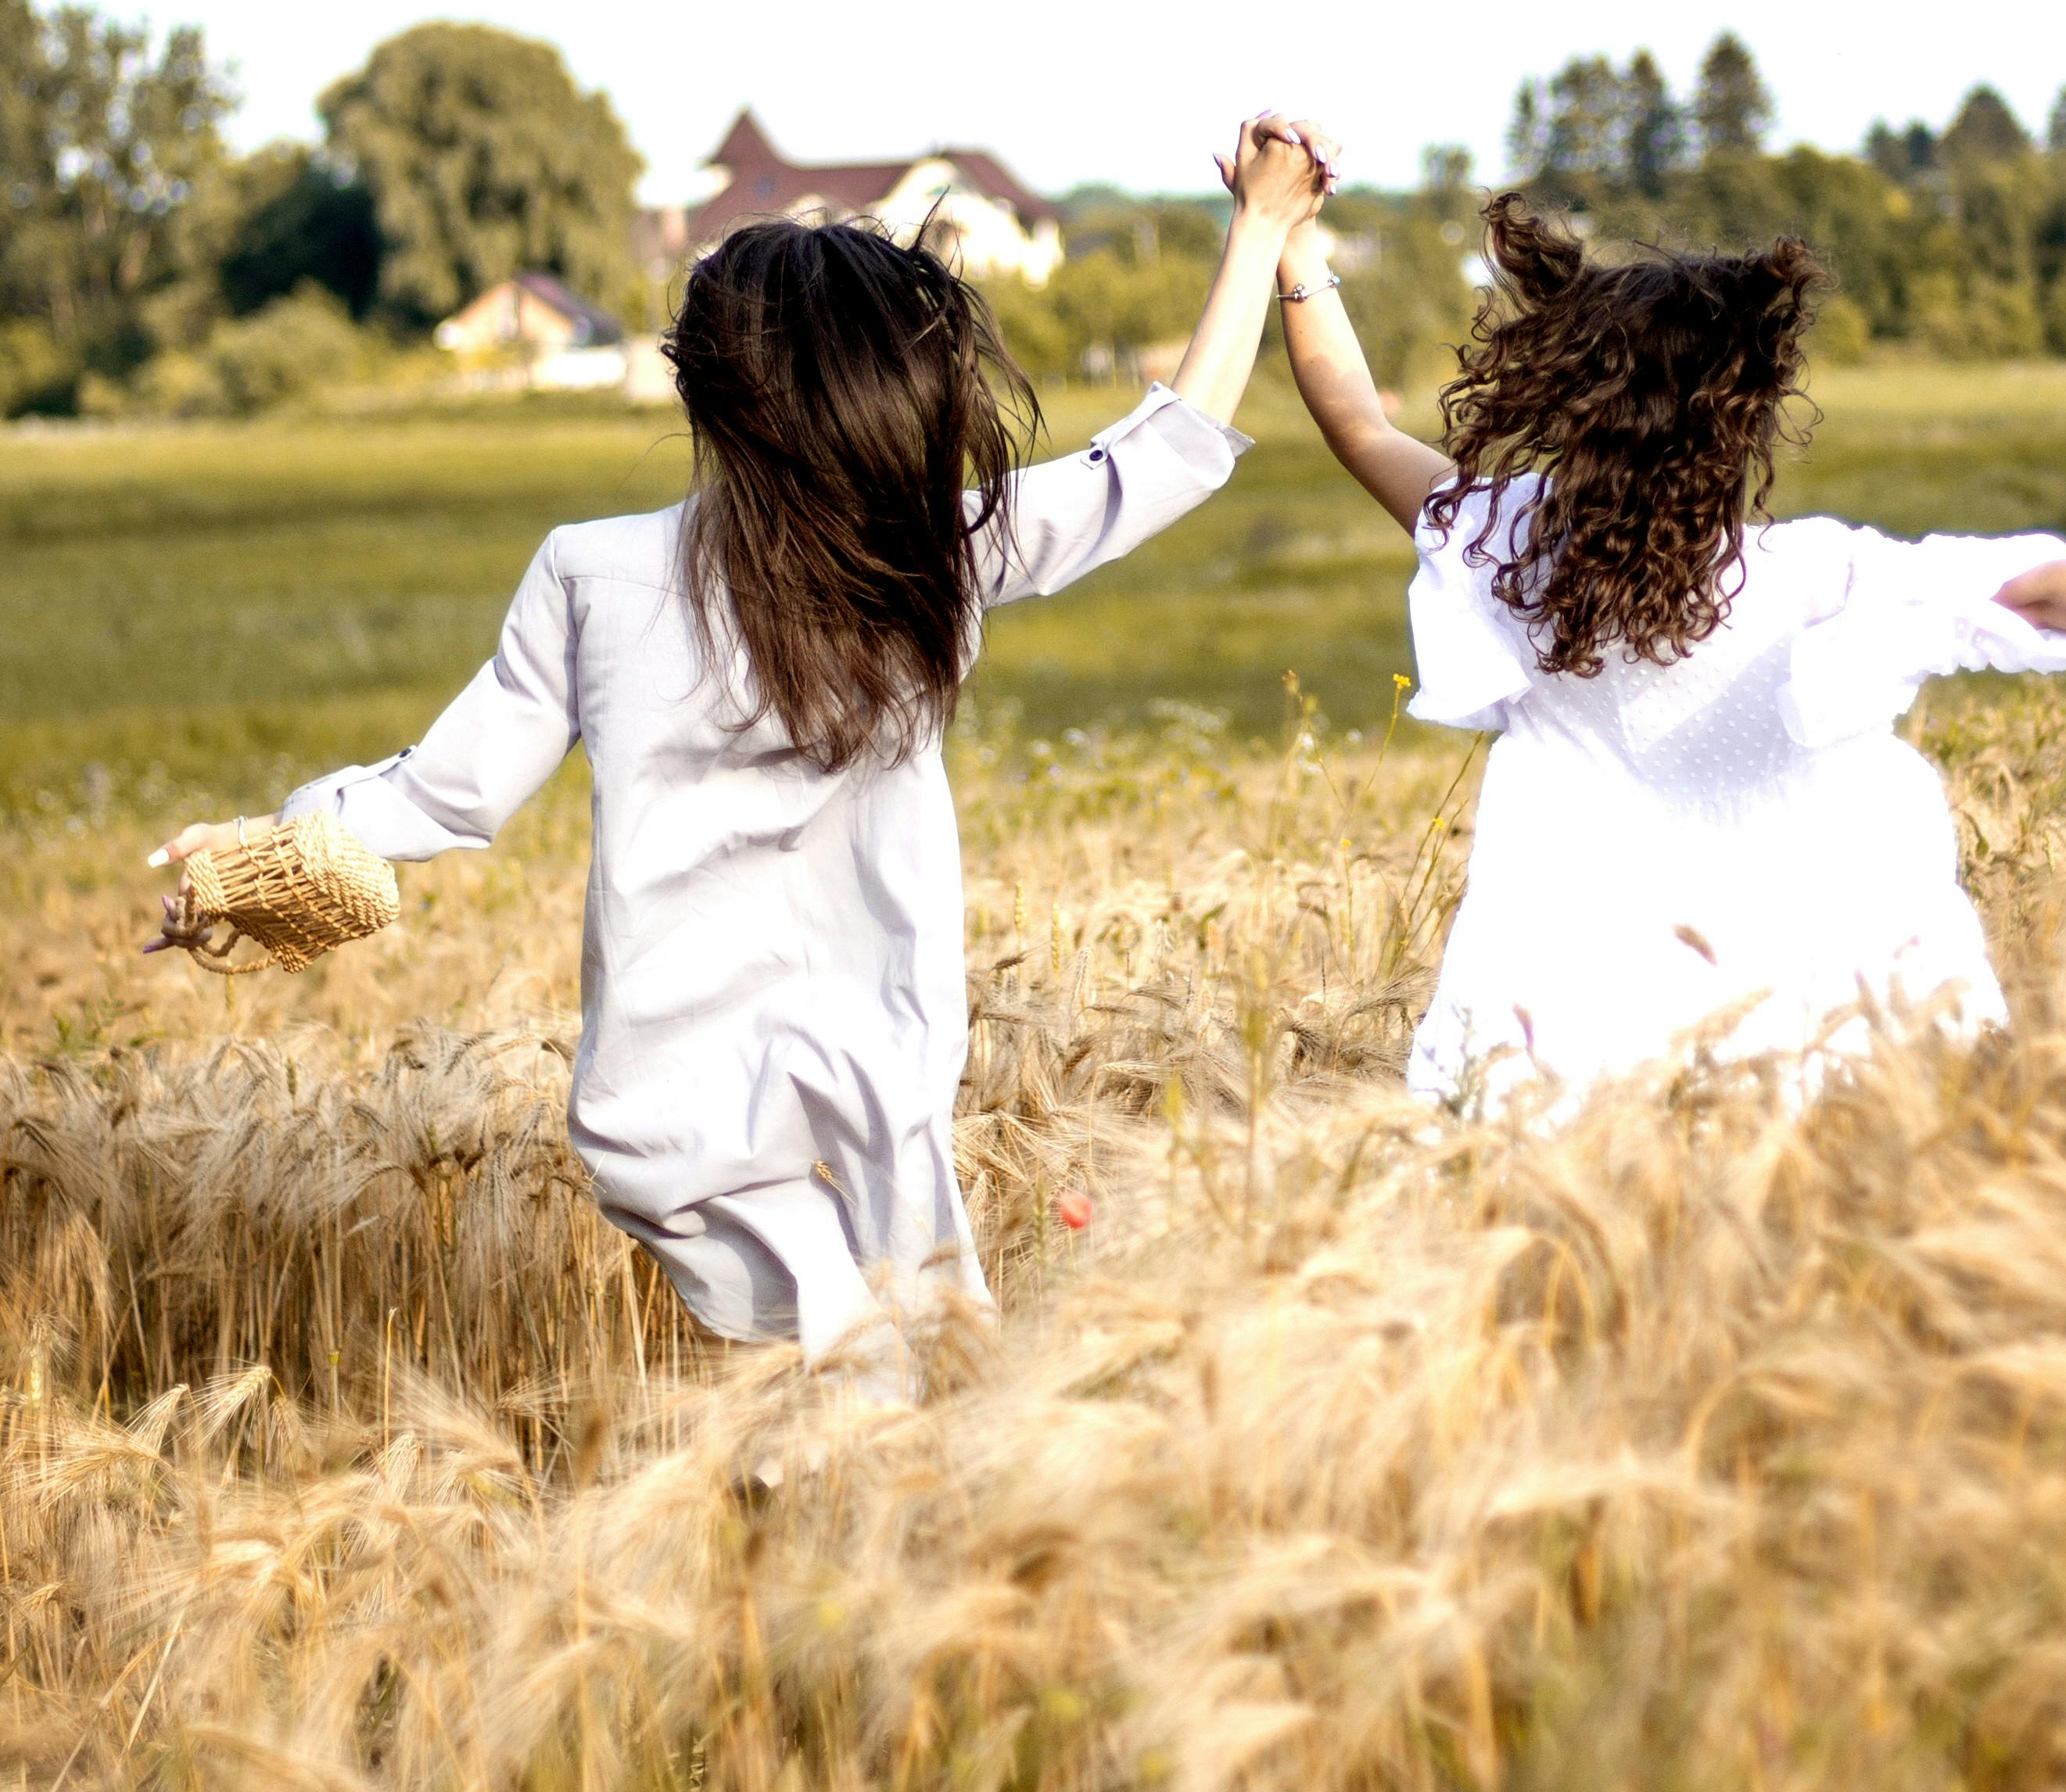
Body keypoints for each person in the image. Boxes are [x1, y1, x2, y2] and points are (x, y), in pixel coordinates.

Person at [151, 116, 1332, 1361]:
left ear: (702, 388)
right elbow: (1163, 456)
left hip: (673, 1112)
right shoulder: (930, 548)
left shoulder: (596, 573)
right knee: (909, 1376)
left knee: (842, 1391)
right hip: (879, 1081)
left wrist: (264, 855)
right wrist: (1259, 228)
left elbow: (444, 796)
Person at [1264, 180, 2066, 1112]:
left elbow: (1359, 426)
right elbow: (2045, 592)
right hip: (1809, 1013)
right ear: (1741, 429)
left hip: (1568, 1019)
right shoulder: (1818, 576)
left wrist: (1292, 243)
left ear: (1582, 410)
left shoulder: (1512, 550)